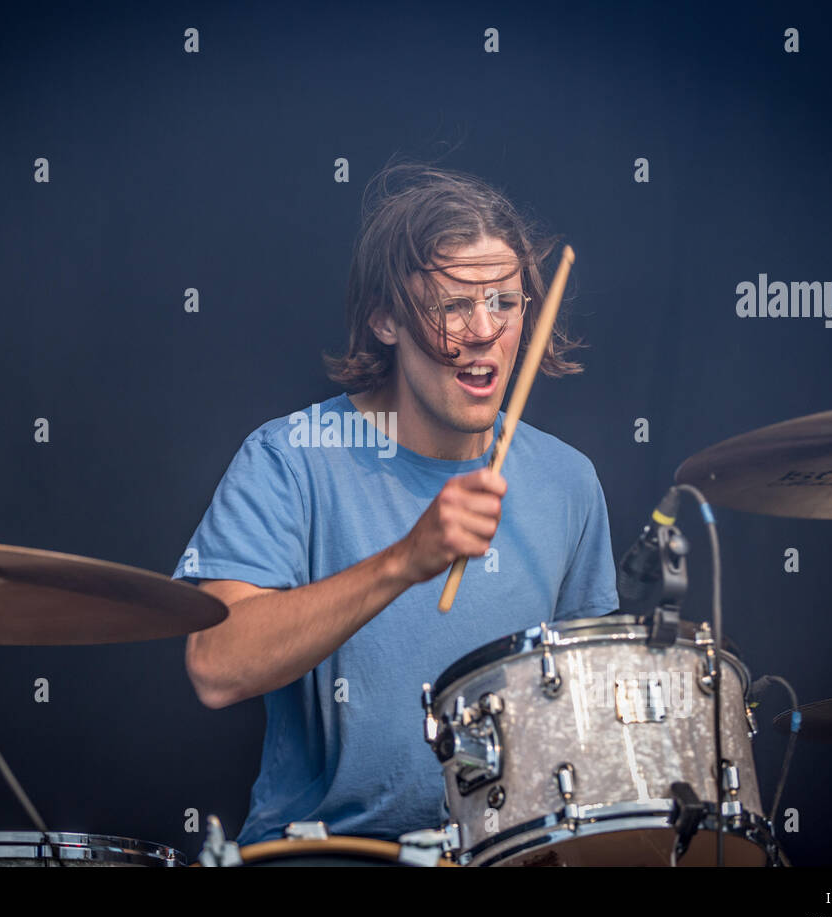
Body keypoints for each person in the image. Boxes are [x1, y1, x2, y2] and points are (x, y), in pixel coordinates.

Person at [173, 162, 618, 845]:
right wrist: (406, 560)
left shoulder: (568, 481)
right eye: (452, 304)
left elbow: (590, 716)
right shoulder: (290, 459)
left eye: (504, 301)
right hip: (329, 856)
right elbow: (215, 666)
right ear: (384, 317)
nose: (482, 331)